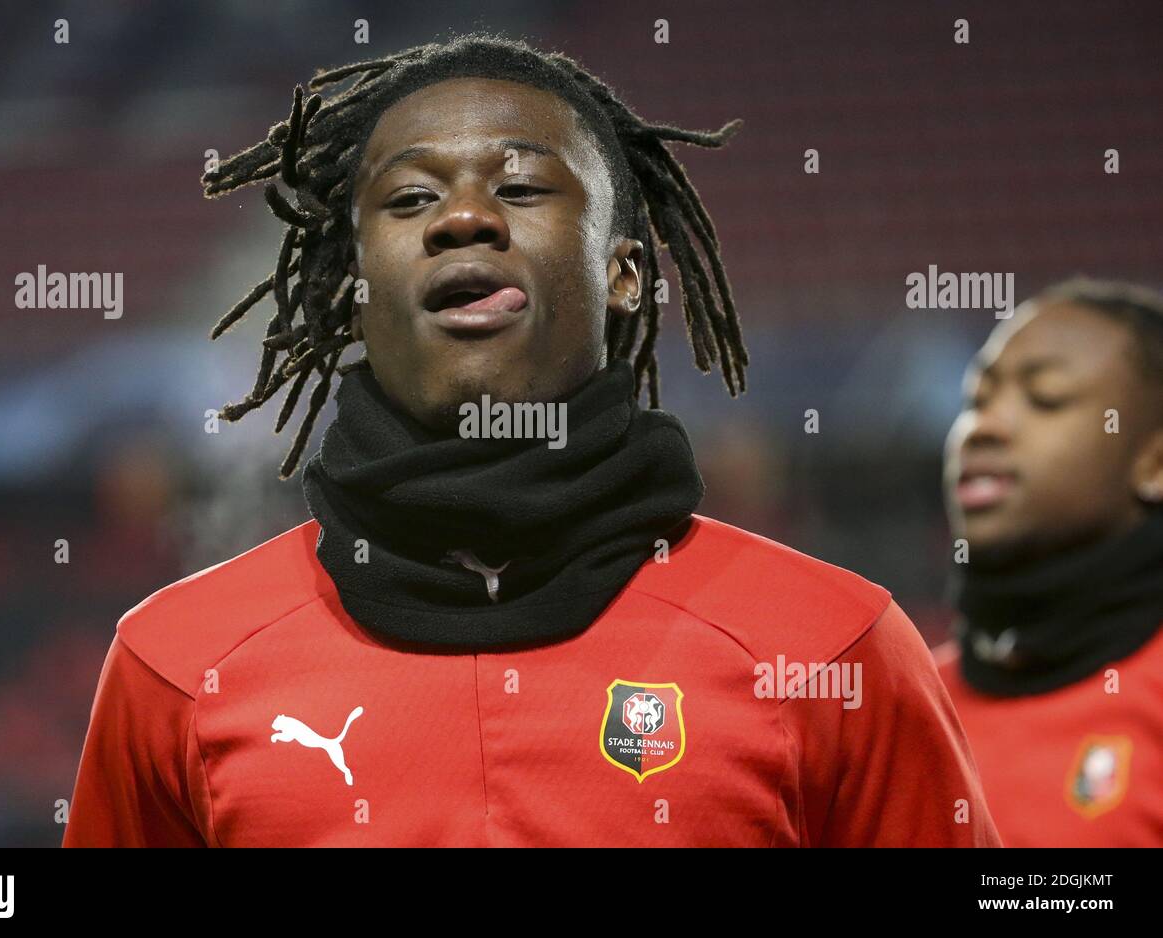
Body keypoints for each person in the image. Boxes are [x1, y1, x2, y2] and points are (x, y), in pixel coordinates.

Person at [63, 34, 997, 847]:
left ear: (624, 273)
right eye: (410, 198)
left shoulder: (835, 649)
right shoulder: (175, 666)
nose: (464, 217)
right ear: (353, 282)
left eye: (520, 185)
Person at [937, 277, 1163, 846]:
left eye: (1046, 398)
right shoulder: (900, 704)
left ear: (1155, 463)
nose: (983, 428)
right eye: (976, 399)